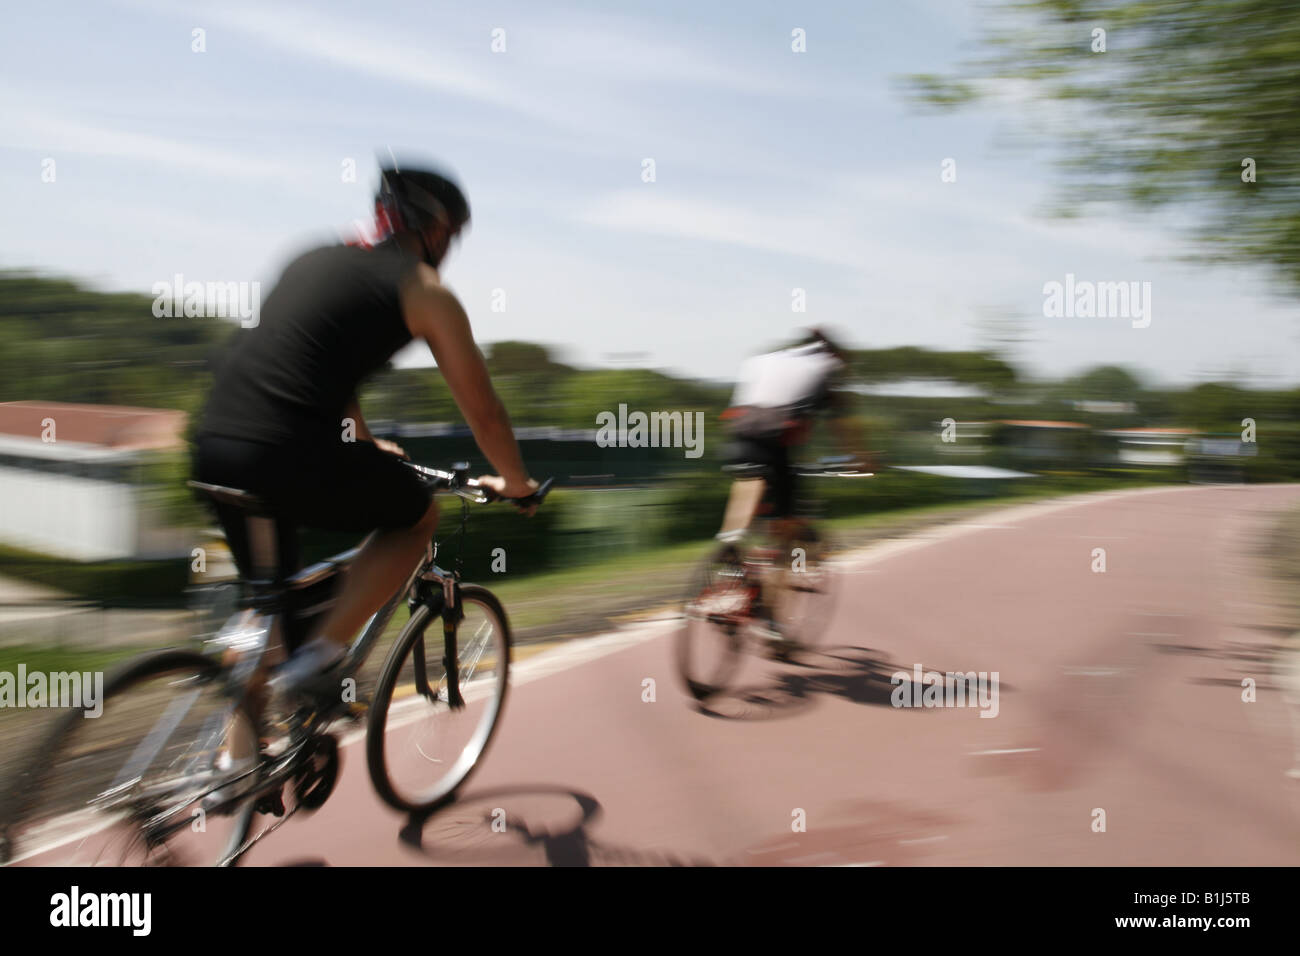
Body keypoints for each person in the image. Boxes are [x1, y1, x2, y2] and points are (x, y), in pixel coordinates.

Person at [193, 162, 539, 708]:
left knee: (269, 621)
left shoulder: (312, 257)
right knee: (418, 515)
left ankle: (229, 781)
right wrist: (517, 483)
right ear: (436, 230)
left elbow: (312, 370)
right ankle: (323, 656)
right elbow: (485, 412)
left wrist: (366, 443)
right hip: (285, 453)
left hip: (214, 446)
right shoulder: (425, 289)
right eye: (453, 237)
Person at [716, 328, 869, 648]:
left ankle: (731, 538)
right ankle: (770, 620)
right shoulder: (827, 369)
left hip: (740, 433)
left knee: (749, 479)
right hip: (777, 443)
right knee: (785, 537)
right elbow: (843, 428)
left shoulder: (771, 359)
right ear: (835, 356)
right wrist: (863, 461)